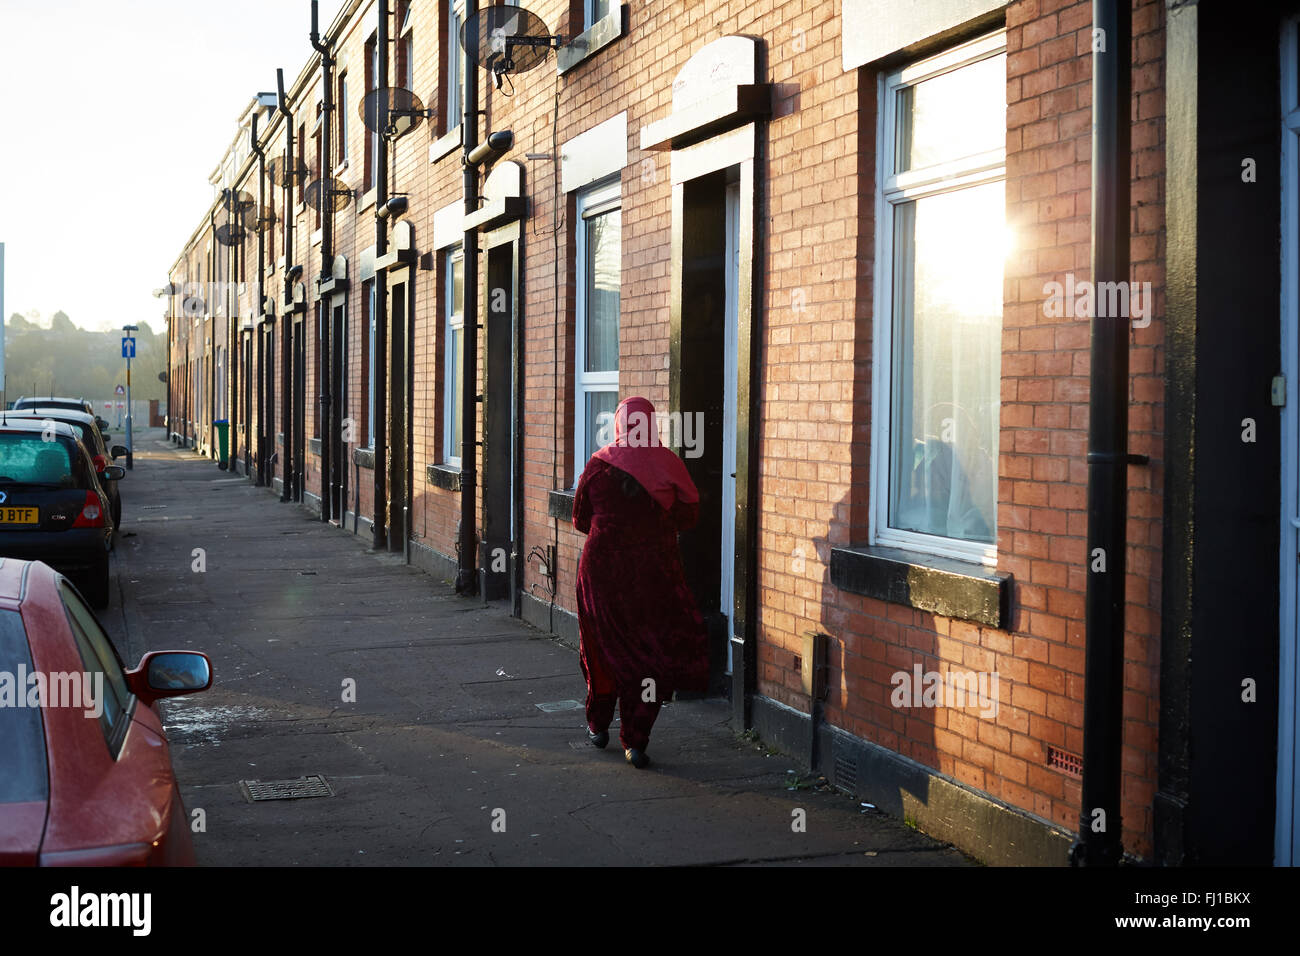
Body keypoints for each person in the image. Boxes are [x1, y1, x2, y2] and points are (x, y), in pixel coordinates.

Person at [572, 396, 709, 769]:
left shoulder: (597, 465)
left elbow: (580, 519)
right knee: (647, 653)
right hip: (652, 574)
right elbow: (689, 514)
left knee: (600, 649)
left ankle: (598, 723)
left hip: (600, 572)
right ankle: (636, 739)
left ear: (618, 424)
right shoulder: (668, 462)